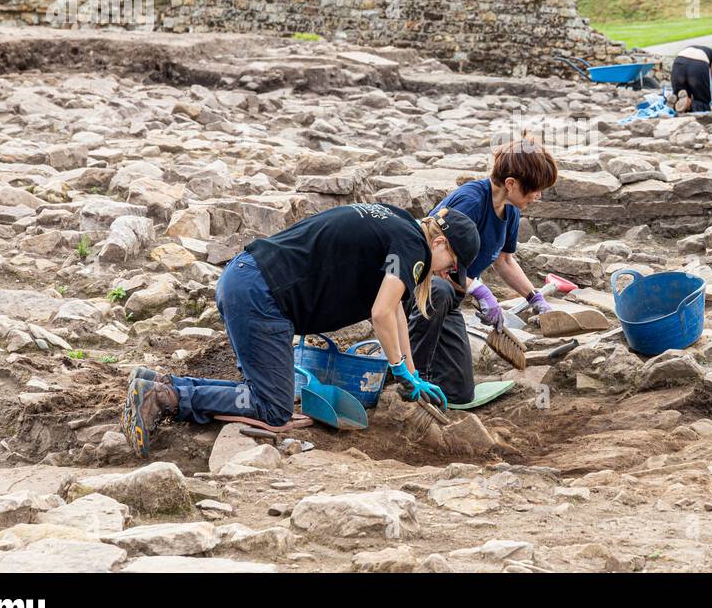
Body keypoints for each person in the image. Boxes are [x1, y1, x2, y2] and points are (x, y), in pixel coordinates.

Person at [121, 202, 481, 458]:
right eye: (450, 265)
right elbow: (381, 313)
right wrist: (399, 369)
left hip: (248, 278)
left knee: (266, 393)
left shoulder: (399, 223)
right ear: (439, 243)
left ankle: (157, 382)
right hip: (262, 298)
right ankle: (164, 397)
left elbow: (398, 313)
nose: (443, 274)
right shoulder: (413, 247)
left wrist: (412, 375)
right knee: (274, 410)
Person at [407, 136, 559, 405]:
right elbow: (436, 261)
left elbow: (504, 261)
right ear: (511, 183)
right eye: (534, 190)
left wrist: (534, 298)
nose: (538, 196)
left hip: (448, 300)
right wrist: (480, 291)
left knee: (459, 393)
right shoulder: (470, 202)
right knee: (441, 290)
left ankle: (407, 368)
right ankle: (410, 379)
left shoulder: (510, 211)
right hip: (420, 289)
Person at [671, 44, 712, 113]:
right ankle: (689, 104)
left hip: (679, 62)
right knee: (702, 102)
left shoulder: (690, 48)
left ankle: (675, 103)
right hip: (698, 65)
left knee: (679, 97)